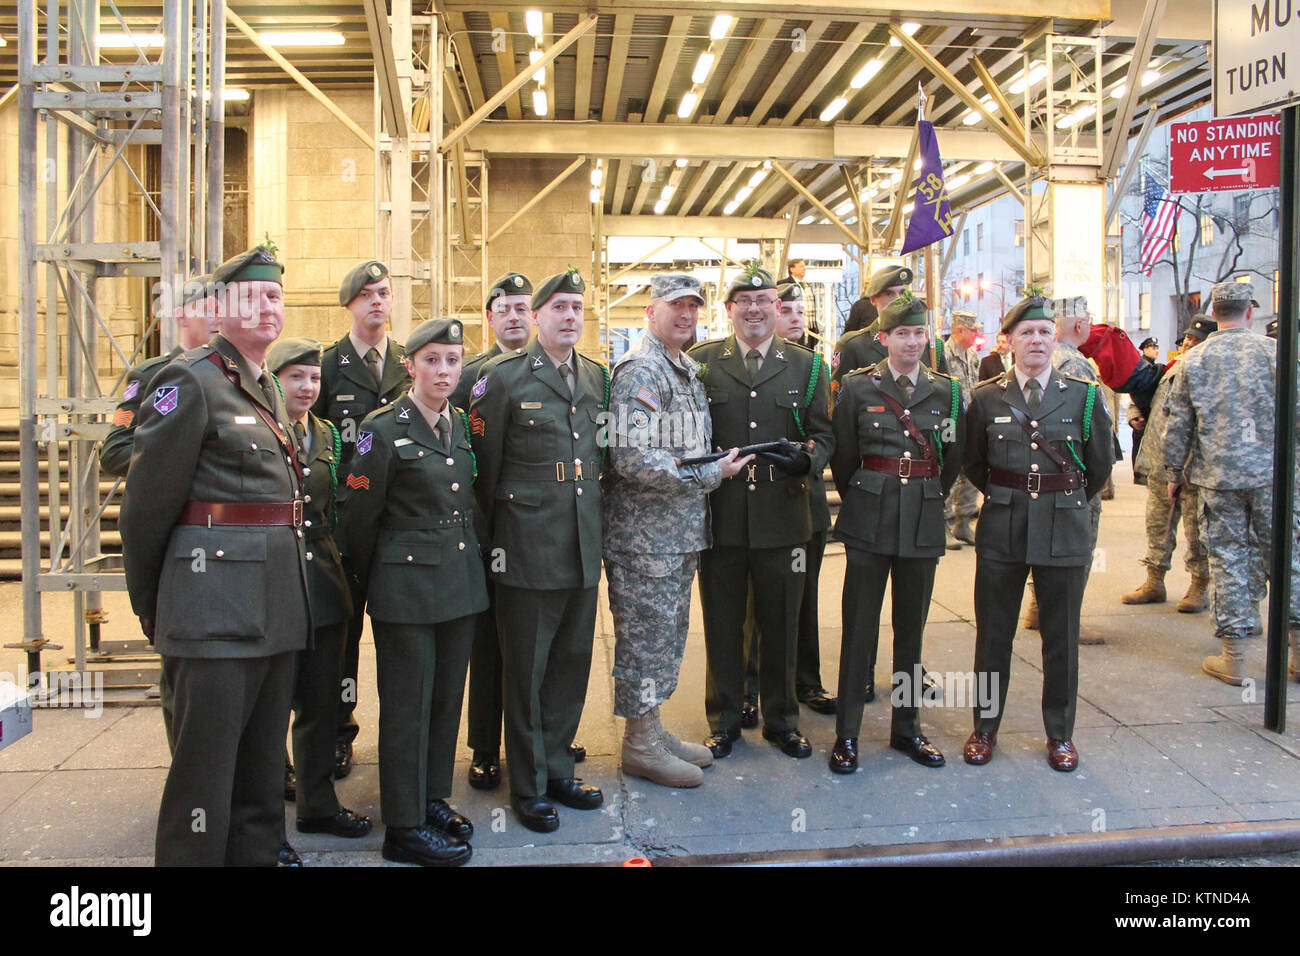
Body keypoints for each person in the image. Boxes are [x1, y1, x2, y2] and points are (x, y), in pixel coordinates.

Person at [122, 244, 311, 865]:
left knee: (261, 779)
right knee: (203, 781)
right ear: (220, 310)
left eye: (275, 295)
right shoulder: (190, 380)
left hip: (274, 610)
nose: (267, 306)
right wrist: (153, 605)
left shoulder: (266, 386)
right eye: (251, 296)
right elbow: (147, 505)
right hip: (211, 614)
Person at [338, 318, 486, 866]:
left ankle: (429, 798)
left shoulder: (459, 423)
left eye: (453, 360)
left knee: (445, 700)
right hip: (406, 590)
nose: (444, 371)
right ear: (411, 366)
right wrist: (371, 581)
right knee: (407, 705)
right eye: (432, 360)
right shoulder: (381, 429)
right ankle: (402, 825)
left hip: (458, 584)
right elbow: (359, 516)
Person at [470, 269, 609, 833]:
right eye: (559, 308)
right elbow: (482, 474)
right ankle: (527, 786)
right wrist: (492, 549)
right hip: (525, 547)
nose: (570, 316)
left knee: (570, 666)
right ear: (536, 317)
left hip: (581, 543)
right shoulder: (501, 378)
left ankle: (557, 769)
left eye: (577, 307)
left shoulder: (597, 376)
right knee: (526, 672)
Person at [604, 273, 751, 788]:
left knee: (666, 637)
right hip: (644, 540)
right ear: (651, 311)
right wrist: (713, 474)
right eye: (675, 306)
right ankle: (639, 745)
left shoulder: (682, 367)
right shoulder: (641, 371)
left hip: (677, 535)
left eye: (693, 306)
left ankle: (652, 729)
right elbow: (631, 457)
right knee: (645, 642)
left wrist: (709, 464)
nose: (686, 315)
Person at [962, 293, 1113, 773]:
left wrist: (1059, 496)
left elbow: (1099, 465)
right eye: (1026, 332)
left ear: (1055, 339)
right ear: (1009, 341)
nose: (1036, 340)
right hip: (1003, 525)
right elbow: (973, 463)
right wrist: (1009, 493)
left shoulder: (1084, 395)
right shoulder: (986, 397)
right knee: (993, 634)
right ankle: (985, 728)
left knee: (1061, 636)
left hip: (1063, 524)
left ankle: (1060, 733)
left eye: (1045, 332)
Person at [689, 265, 833, 760]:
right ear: (729, 309)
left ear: (777, 306)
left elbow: (824, 433)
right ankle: (724, 720)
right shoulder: (702, 362)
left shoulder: (808, 366)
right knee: (723, 625)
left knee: (782, 624)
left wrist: (808, 460)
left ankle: (782, 721)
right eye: (744, 301)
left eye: (763, 300)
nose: (754, 309)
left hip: (783, 514)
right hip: (723, 514)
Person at [828, 291, 965, 773]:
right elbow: (844, 457)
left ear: (928, 338)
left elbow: (952, 457)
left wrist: (927, 494)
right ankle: (847, 733)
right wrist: (871, 491)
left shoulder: (947, 391)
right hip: (869, 517)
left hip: (922, 519)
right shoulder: (857, 387)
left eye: (919, 333)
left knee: (912, 632)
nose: (911, 342)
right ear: (883, 338)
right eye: (901, 333)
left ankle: (907, 729)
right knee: (858, 629)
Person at [1163, 281, 1300, 685]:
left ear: (1214, 313)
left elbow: (1178, 424)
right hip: (1273, 477)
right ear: (1250, 311)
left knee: (1227, 560)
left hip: (1218, 478)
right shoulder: (1277, 353)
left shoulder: (1193, 360)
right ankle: (1297, 655)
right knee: (1287, 558)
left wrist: (1174, 473)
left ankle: (1234, 658)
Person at [266, 337, 372, 846]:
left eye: (313, 378)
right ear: (273, 381)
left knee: (321, 701)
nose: (307, 387)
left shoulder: (327, 433)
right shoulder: (261, 429)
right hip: (275, 581)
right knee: (269, 707)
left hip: (325, 582)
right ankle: (265, 821)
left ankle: (317, 805)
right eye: (295, 378)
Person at [314, 260, 412, 780]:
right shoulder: (328, 366)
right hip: (348, 526)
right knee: (342, 641)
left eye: (384, 293)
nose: (377, 301)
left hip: (399, 523)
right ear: (349, 303)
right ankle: (337, 733)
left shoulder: (408, 361)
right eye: (367, 294)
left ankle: (404, 738)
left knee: (402, 638)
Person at [452, 272, 536, 792]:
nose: (514, 316)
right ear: (489, 319)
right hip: (489, 532)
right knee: (488, 646)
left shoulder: (555, 372)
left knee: (539, 645)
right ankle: (485, 746)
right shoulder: (469, 379)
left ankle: (543, 737)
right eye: (504, 309)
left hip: (538, 535)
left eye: (522, 307)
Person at [1123, 316, 1215, 612]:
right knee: (1157, 525)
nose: (1189, 342)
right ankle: (1154, 581)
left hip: (1193, 469)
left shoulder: (1209, 374)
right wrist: (1135, 414)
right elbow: (1143, 396)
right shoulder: (1169, 369)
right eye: (1188, 337)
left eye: (1196, 339)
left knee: (1196, 531)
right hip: (1160, 464)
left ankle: (1199, 585)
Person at [102, 275, 218, 478]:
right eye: (208, 310)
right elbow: (115, 453)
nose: (219, 318)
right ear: (181, 316)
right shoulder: (152, 375)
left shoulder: (240, 375)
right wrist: (192, 459)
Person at [943, 310, 982, 549]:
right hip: (950, 421)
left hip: (971, 421)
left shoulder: (972, 354)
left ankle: (964, 522)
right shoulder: (943, 354)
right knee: (950, 471)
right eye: (973, 330)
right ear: (960, 330)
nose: (977, 334)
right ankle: (944, 524)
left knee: (971, 472)